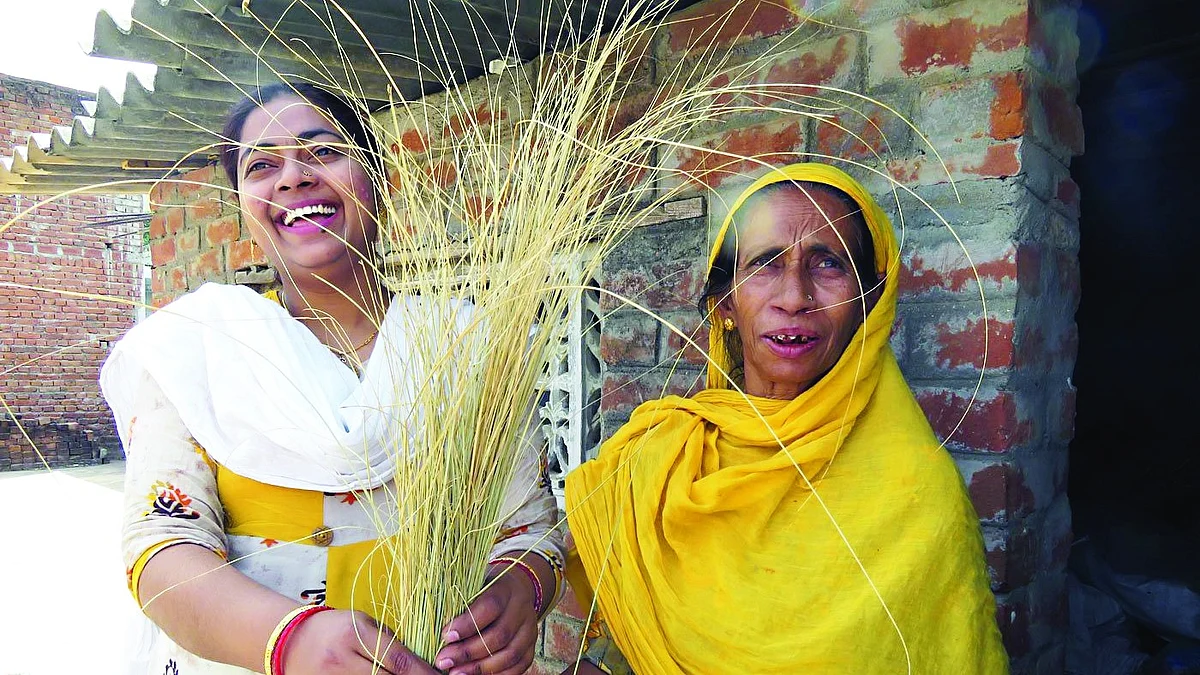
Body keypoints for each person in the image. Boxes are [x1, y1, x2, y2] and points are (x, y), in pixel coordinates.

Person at [100, 83, 564, 675]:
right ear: (243, 207)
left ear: (379, 180)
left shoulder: (468, 346)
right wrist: (289, 641)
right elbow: (160, 546)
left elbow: (529, 527)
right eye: (261, 166)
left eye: (323, 151)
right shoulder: (197, 350)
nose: (293, 178)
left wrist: (520, 590)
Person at [562, 163, 1008, 674]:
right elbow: (620, 639)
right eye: (766, 264)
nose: (795, 297)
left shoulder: (918, 494)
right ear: (725, 303)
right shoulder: (664, 458)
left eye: (828, 264)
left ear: (870, 302)